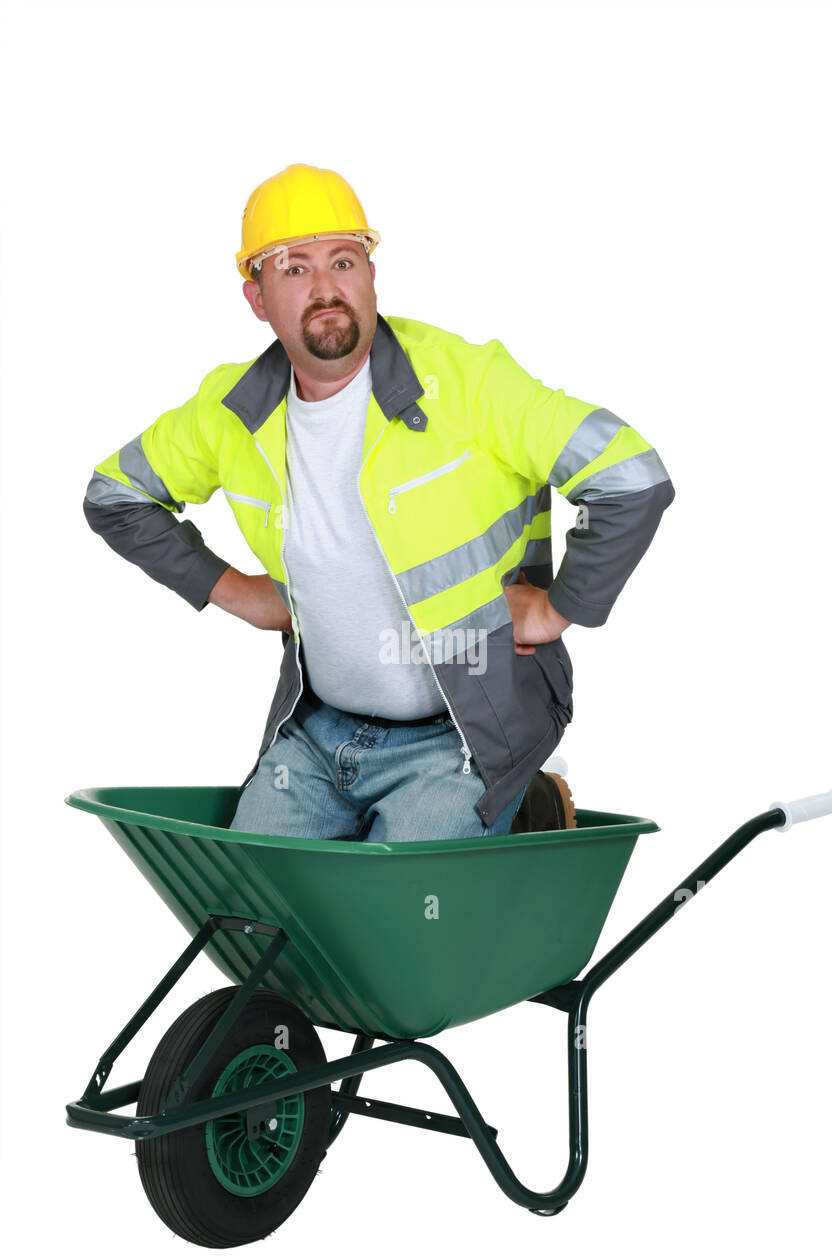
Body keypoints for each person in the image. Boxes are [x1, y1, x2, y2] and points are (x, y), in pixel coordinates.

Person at [84, 162, 675, 843]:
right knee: (250, 909)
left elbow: (631, 474)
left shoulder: (466, 382)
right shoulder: (228, 411)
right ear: (256, 296)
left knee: (397, 903)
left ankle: (522, 801)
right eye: (294, 268)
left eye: (343, 260)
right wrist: (232, 591)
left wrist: (559, 609)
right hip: (317, 731)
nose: (326, 287)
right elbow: (114, 494)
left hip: (463, 734)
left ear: (370, 274)